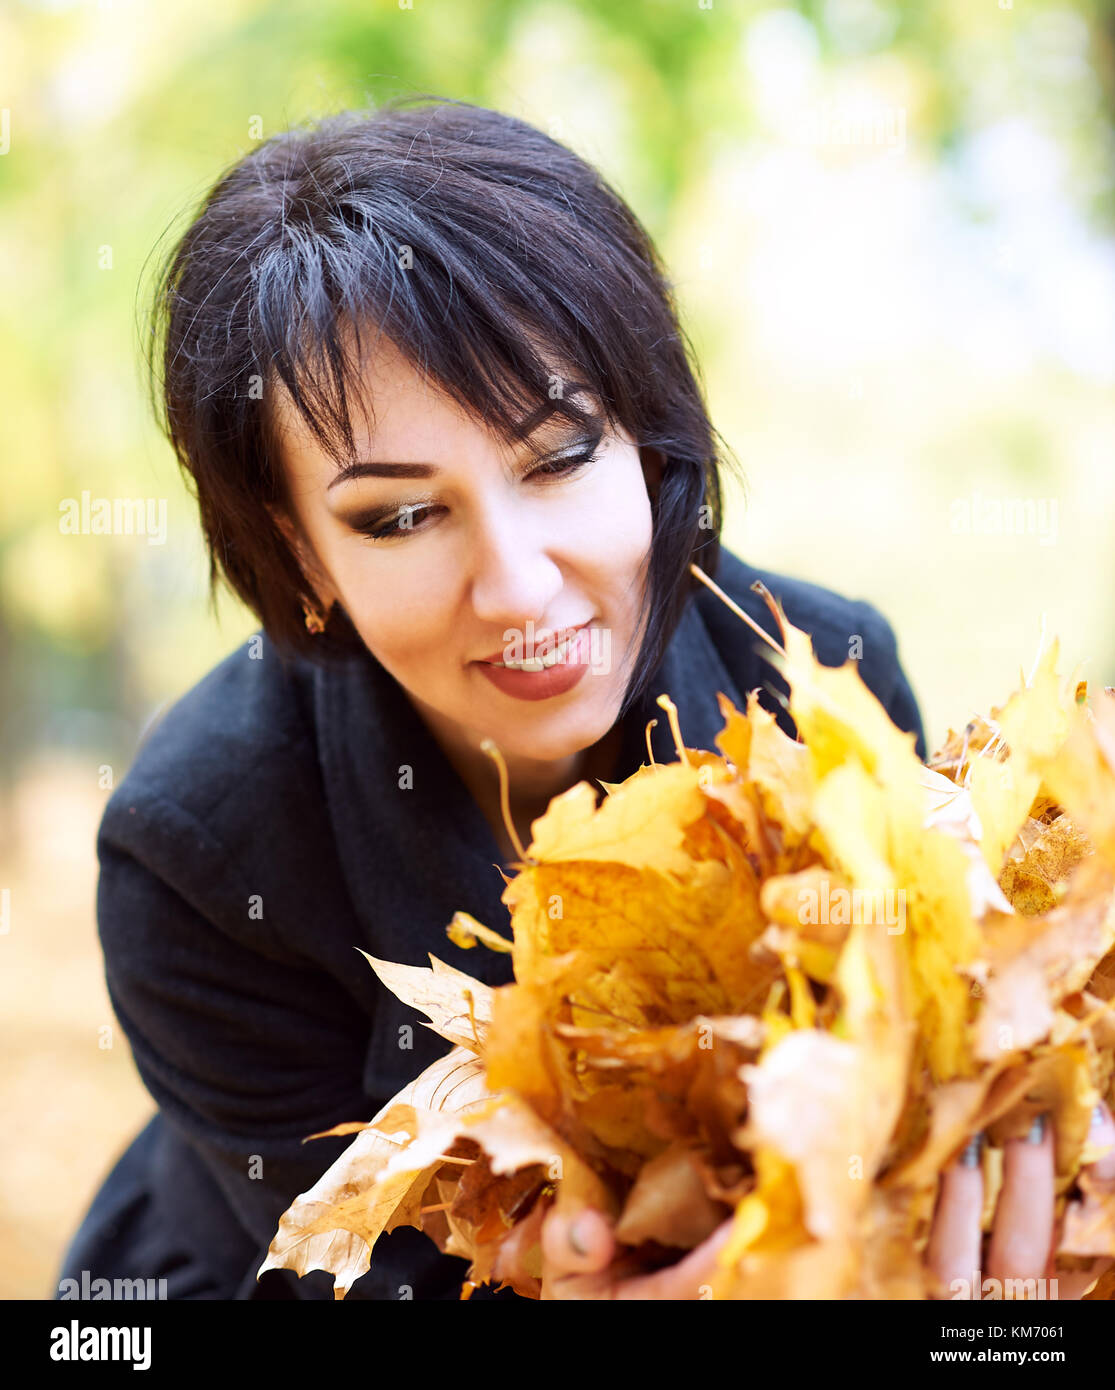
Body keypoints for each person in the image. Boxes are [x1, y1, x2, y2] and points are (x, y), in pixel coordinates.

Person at [51, 93, 1093, 1305]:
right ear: (296, 554)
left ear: (648, 445)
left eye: (557, 457)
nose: (515, 583)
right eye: (398, 514)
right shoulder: (196, 851)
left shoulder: (821, 683)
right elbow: (350, 1274)